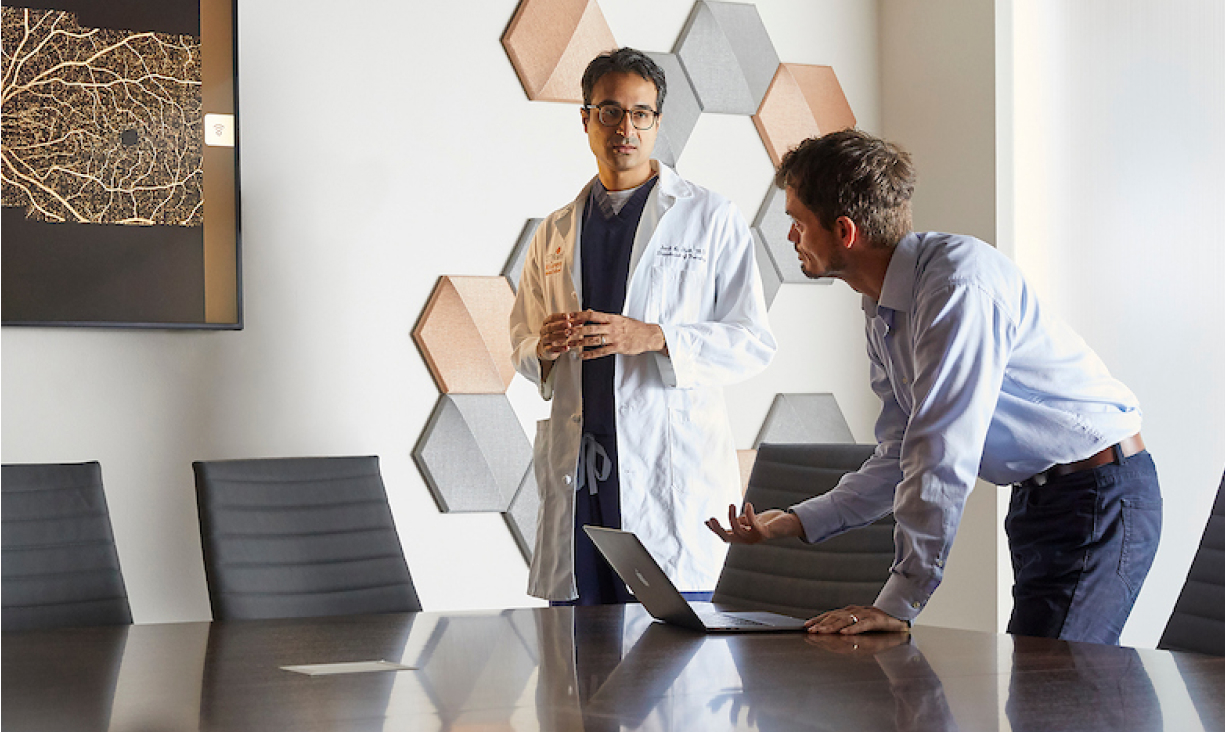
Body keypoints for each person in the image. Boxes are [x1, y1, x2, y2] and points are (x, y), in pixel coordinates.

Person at [707, 129, 1161, 645]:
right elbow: (900, 454)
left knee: (1054, 688)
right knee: (1049, 693)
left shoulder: (955, 288)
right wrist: (794, 520)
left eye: (797, 221)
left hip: (1100, 494)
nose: (791, 236)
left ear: (844, 230)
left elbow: (940, 453)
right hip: (1043, 501)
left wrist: (899, 603)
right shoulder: (881, 305)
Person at [510, 48, 776, 605]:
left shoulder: (710, 217)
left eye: (641, 113)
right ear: (585, 118)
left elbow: (752, 343)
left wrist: (654, 337)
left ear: (658, 121)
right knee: (576, 664)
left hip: (667, 473)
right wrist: (544, 348)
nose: (625, 128)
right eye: (609, 111)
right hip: (583, 475)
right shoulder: (554, 231)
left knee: (670, 668)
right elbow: (522, 340)